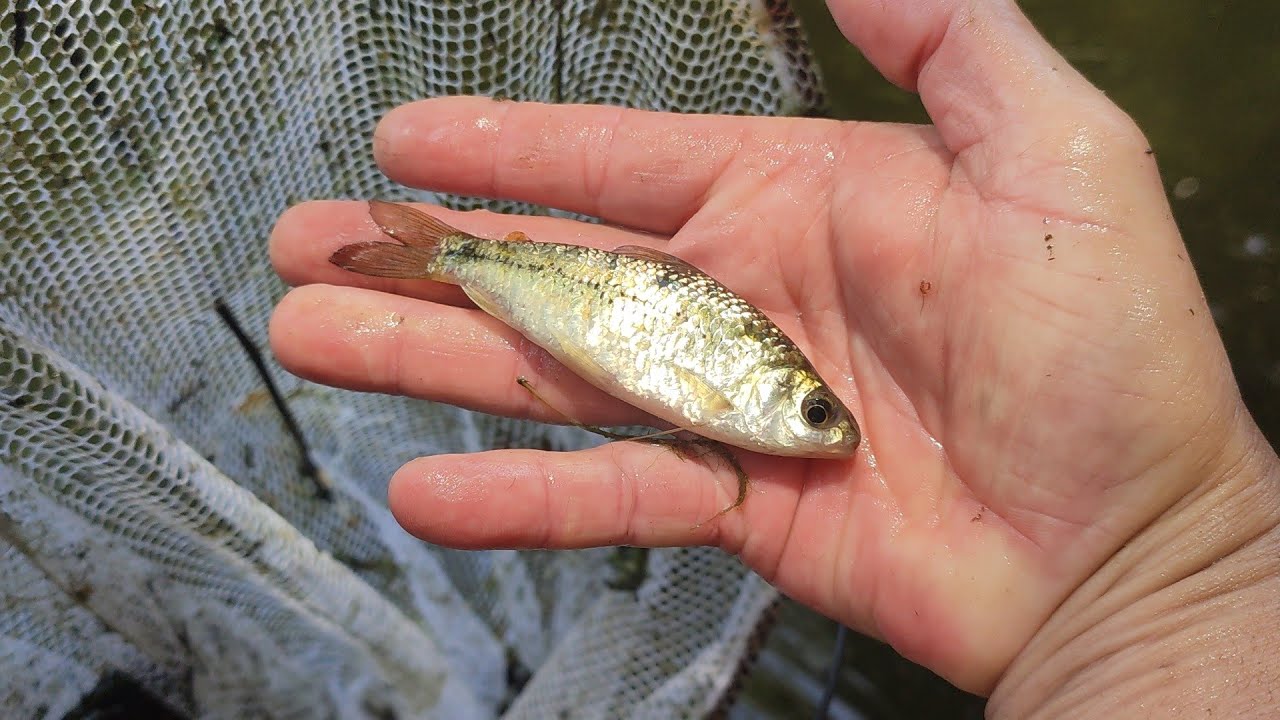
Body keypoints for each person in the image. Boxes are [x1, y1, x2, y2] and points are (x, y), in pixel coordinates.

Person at [267, 0, 1280, 715]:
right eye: (811, 414)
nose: (826, 437)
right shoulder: (728, 383)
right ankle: (445, 254)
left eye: (812, 418)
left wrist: (1156, 560)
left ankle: (443, 253)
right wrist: (1168, 569)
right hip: (541, 288)